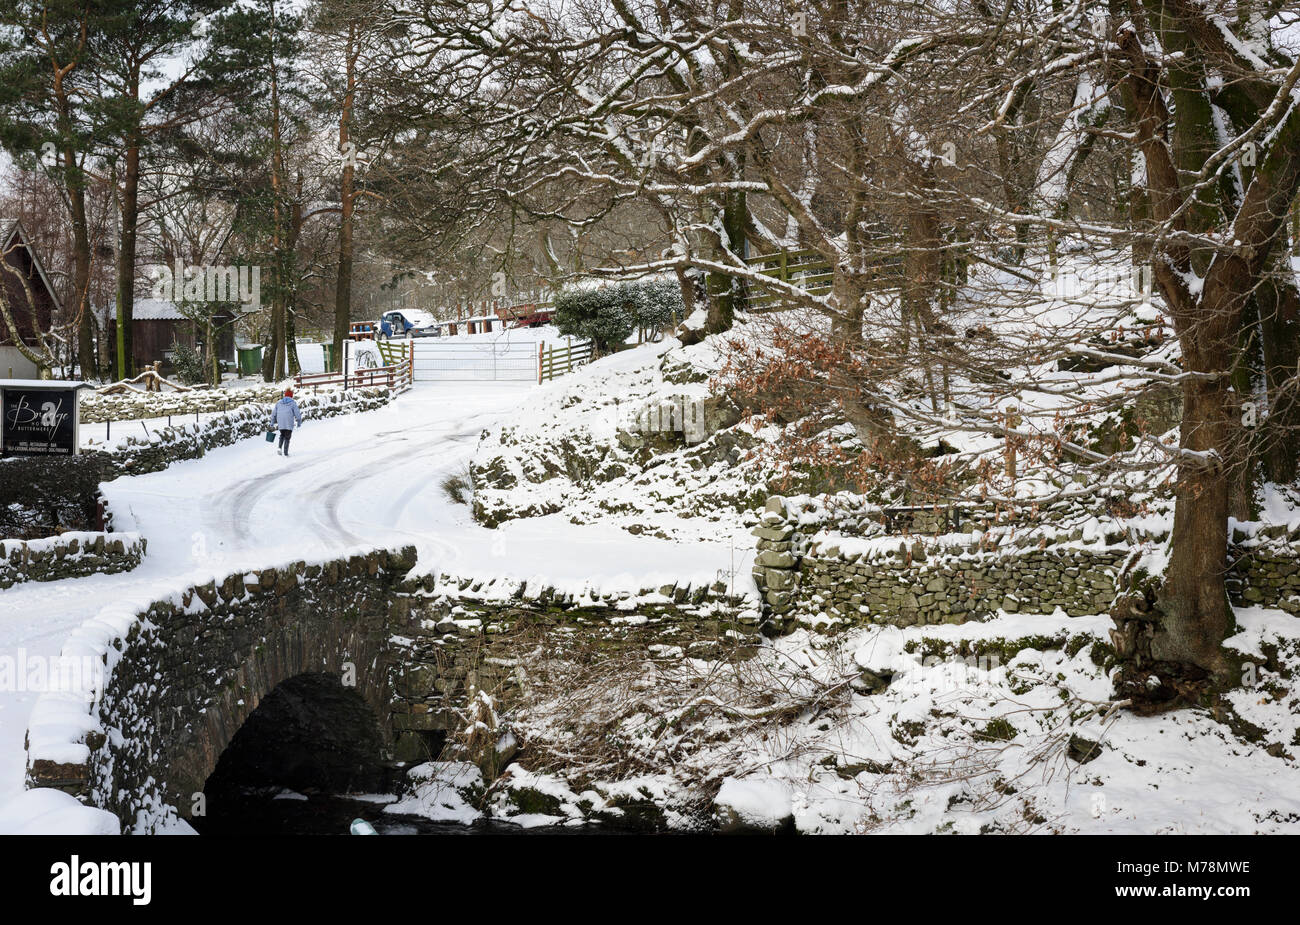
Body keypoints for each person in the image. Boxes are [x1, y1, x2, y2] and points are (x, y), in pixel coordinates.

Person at [268, 388, 303, 456]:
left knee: (282, 435)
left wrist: (272, 422)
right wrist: (299, 421)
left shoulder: (278, 403)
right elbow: (297, 413)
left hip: (280, 421)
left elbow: (274, 413)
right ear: (291, 396)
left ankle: (279, 448)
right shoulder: (292, 403)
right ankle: (286, 453)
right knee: (287, 437)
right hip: (288, 422)